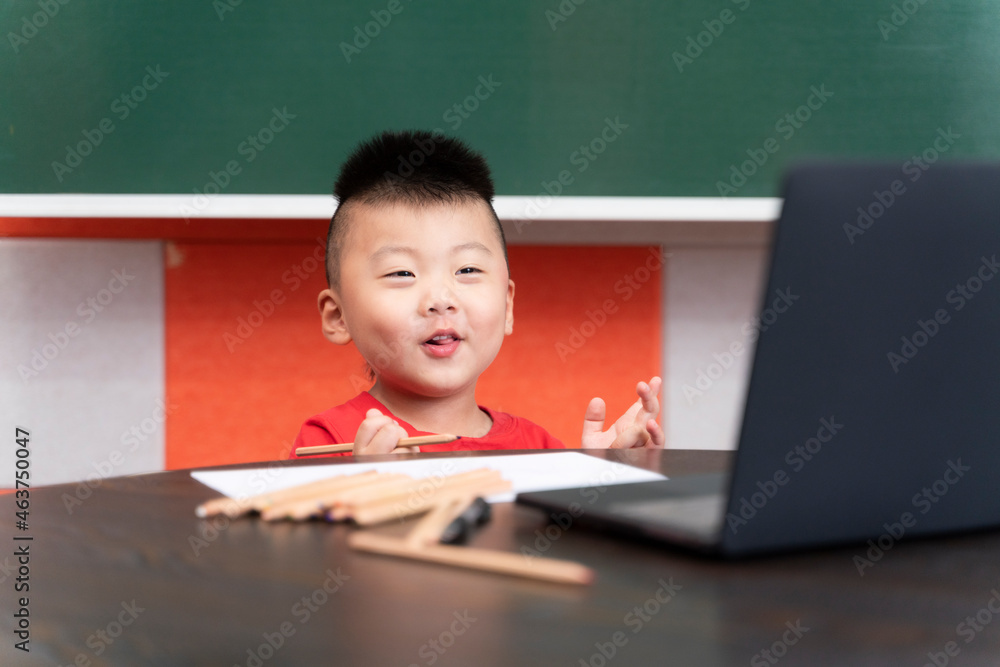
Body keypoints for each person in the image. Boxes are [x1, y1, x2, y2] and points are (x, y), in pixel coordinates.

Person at [290, 130, 663, 457]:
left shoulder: (540, 448)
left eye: (467, 270)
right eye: (402, 273)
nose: (441, 299)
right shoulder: (330, 440)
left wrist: (604, 476)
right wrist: (363, 485)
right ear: (337, 316)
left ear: (508, 305)